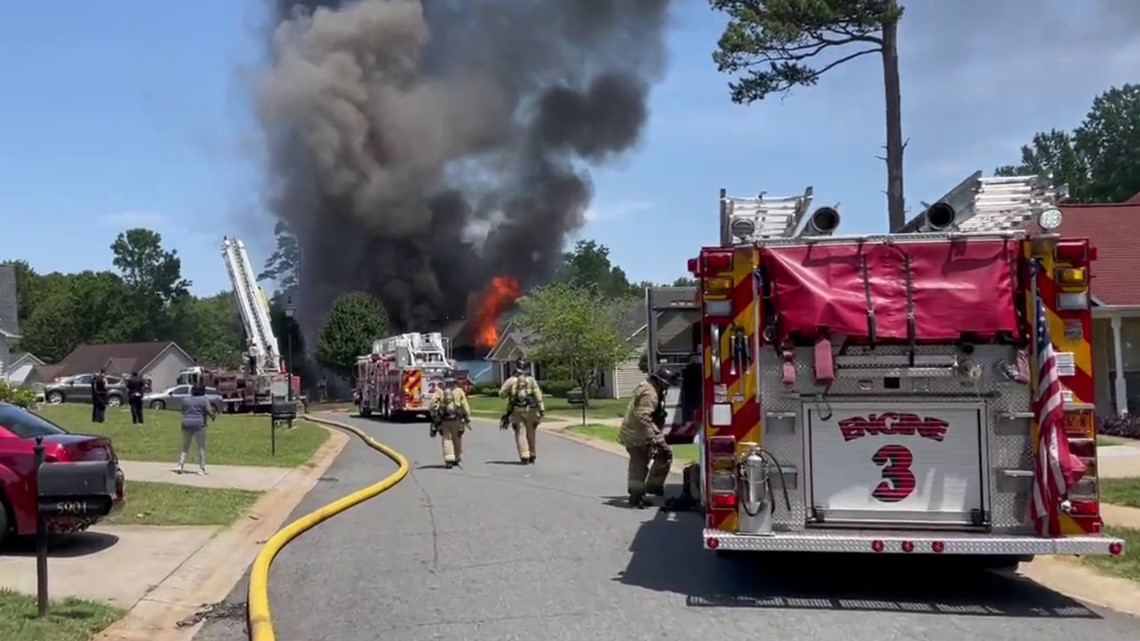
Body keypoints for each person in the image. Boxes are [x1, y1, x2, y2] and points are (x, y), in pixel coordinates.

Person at [618, 365, 681, 508]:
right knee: (640, 465)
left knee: (654, 459)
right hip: (637, 434)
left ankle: (646, 491)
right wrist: (655, 437)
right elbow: (643, 417)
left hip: (636, 432)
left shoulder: (648, 386)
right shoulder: (650, 393)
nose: (668, 388)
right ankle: (636, 496)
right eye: (667, 384)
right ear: (661, 381)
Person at [498, 359, 545, 464]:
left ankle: (524, 455)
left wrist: (509, 392)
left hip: (516, 410)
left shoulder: (511, 381)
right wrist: (541, 409)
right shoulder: (531, 380)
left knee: (520, 433)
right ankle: (532, 454)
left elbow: (501, 394)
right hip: (531, 410)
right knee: (531, 433)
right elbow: (538, 396)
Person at [429, 370, 472, 469]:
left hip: (444, 420)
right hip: (456, 419)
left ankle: (449, 459)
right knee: (457, 438)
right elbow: (465, 406)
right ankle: (457, 458)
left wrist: (434, 415)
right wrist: (467, 418)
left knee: (447, 439)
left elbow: (432, 405)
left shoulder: (439, 392)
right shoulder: (459, 391)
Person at [176, 384, 213, 475]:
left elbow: (182, 410)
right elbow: (209, 411)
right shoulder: (204, 399)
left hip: (186, 423)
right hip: (199, 424)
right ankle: (202, 468)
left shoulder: (186, 399)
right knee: (201, 447)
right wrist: (213, 416)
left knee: (185, 446)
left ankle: (180, 465)